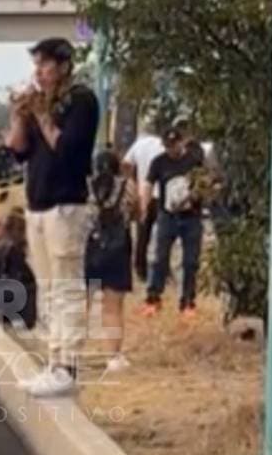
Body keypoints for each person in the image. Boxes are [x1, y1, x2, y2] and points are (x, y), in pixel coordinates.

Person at [3, 36, 99, 397]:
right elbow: (18, 150)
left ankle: (68, 366)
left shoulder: (80, 100)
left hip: (66, 204)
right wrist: (19, 114)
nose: (39, 72)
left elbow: (68, 149)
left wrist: (43, 114)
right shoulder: (40, 103)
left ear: (63, 66)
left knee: (67, 286)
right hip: (37, 204)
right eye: (36, 65)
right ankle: (52, 360)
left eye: (45, 65)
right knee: (46, 287)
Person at [142, 128, 204, 317]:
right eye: (168, 146)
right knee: (159, 257)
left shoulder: (193, 161)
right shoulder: (159, 162)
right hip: (167, 216)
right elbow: (148, 183)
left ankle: (187, 301)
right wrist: (145, 207)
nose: (172, 149)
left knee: (190, 262)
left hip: (190, 216)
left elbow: (203, 183)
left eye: (175, 144)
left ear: (181, 142)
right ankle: (153, 297)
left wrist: (197, 195)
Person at [85, 150, 137, 373]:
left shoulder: (85, 186)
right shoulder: (128, 186)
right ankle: (113, 357)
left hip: (92, 247)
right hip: (118, 249)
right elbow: (137, 214)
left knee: (82, 302)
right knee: (113, 306)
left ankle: (69, 352)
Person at [123, 117, 165, 282]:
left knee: (143, 234)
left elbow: (126, 163)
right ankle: (162, 269)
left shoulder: (138, 145)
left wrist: (132, 181)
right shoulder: (161, 144)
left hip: (143, 195)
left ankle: (140, 269)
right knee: (163, 236)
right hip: (161, 194)